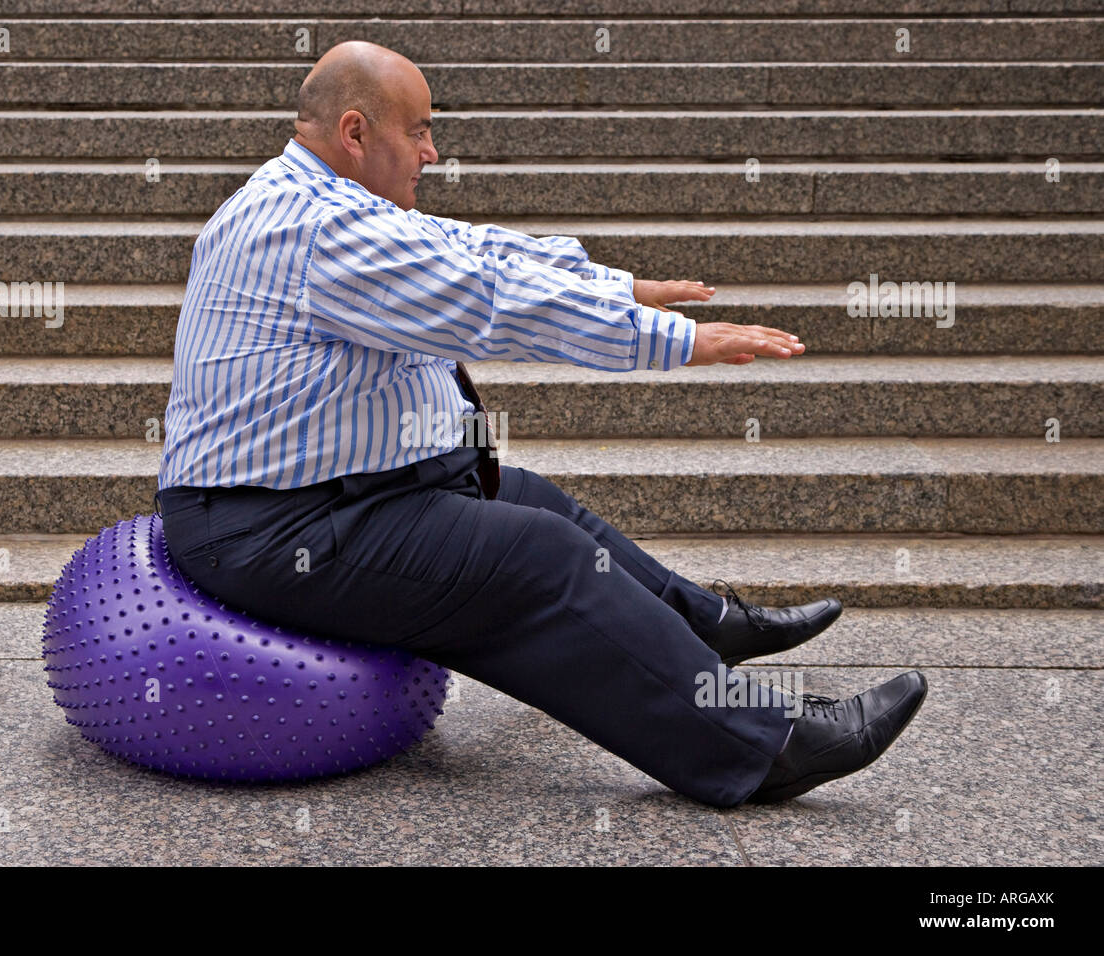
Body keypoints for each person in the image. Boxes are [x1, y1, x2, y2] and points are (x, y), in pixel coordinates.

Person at [154, 41, 927, 807]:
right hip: (266, 530)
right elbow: (485, 300)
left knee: (523, 495)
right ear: (355, 133)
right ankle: (764, 749)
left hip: (331, 493)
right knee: (539, 556)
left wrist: (615, 286)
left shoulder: (328, 201)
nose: (433, 149)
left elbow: (473, 247)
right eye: (418, 130)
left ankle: (707, 631)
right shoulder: (314, 228)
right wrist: (680, 342)